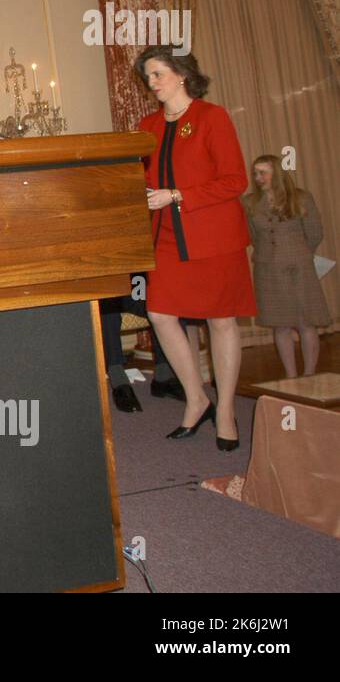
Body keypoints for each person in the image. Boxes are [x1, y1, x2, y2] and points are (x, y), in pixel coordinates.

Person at [135, 46, 255, 451]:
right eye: (148, 76)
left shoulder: (211, 117)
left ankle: (224, 412)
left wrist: (178, 194)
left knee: (221, 321)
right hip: (166, 236)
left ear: (182, 74)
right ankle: (197, 397)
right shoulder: (147, 125)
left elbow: (235, 181)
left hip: (212, 235)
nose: (152, 83)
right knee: (160, 312)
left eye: (158, 74)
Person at [245, 154, 332, 377]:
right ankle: (290, 375)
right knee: (279, 324)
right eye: (255, 173)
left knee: (306, 323)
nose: (258, 177)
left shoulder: (301, 198)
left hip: (299, 267)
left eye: (263, 172)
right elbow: (252, 236)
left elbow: (314, 233)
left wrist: (297, 253)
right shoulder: (250, 202)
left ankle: (309, 374)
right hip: (267, 268)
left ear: (277, 172)